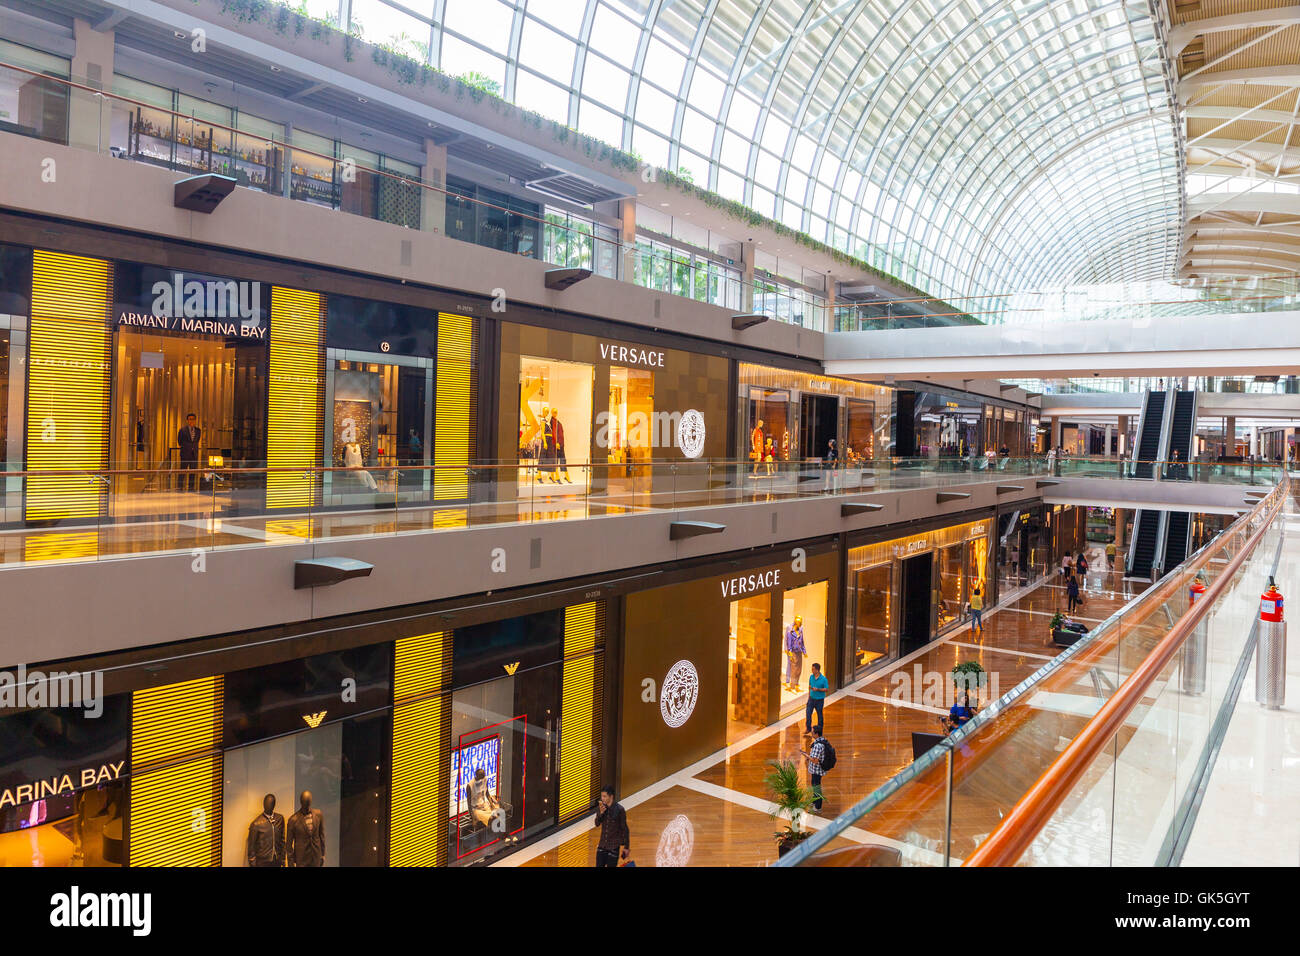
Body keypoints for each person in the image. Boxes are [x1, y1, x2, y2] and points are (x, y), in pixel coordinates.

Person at [593, 785, 629, 868]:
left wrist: (626, 847)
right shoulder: (601, 807)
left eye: (604, 796)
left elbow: (625, 829)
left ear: (611, 796)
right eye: (602, 796)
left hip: (613, 847)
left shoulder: (620, 810)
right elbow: (597, 824)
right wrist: (601, 813)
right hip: (602, 845)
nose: (602, 798)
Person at [802, 727, 828, 812]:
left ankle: (818, 807)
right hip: (815, 770)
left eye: (812, 732)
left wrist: (806, 756)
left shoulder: (818, 745)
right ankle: (814, 801)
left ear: (817, 734)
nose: (811, 734)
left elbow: (815, 760)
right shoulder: (820, 740)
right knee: (814, 785)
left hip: (817, 770)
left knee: (817, 787)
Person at [177, 412, 201, 492]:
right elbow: (179, 441)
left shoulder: (198, 430)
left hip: (194, 454)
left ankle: (191, 487)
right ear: (187, 420)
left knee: (193, 471)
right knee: (183, 471)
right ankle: (180, 487)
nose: (192, 421)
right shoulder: (182, 430)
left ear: (195, 420)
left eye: (193, 419)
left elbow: (196, 441)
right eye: (190, 419)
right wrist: (186, 447)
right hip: (185, 454)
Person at [784, 615, 806, 691]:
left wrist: (804, 651)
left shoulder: (801, 630)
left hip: (799, 651)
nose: (799, 624)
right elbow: (787, 641)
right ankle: (791, 684)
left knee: (799, 669)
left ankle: (796, 683)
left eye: (799, 622)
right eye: (797, 622)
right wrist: (788, 651)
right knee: (793, 668)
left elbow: (802, 641)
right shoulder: (790, 631)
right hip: (793, 651)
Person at [805, 662, 828, 734]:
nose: (812, 670)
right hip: (811, 699)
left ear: (817, 670)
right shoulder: (811, 677)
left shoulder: (823, 679)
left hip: (819, 700)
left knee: (819, 715)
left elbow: (826, 689)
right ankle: (808, 728)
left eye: (813, 669)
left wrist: (818, 689)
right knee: (808, 713)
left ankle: (820, 730)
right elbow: (809, 687)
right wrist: (808, 697)